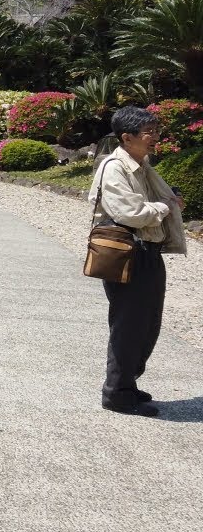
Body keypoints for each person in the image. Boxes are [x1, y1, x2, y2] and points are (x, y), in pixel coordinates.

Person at [88, 106, 187, 416]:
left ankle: (127, 383)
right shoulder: (114, 167)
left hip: (148, 252)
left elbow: (152, 203)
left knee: (148, 325)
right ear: (126, 137)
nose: (155, 137)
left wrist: (167, 201)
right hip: (128, 253)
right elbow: (130, 213)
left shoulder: (142, 164)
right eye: (149, 133)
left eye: (156, 130)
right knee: (129, 326)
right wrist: (165, 207)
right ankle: (116, 393)